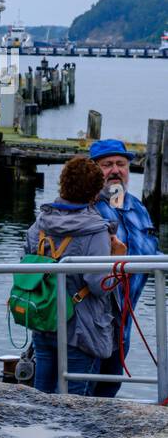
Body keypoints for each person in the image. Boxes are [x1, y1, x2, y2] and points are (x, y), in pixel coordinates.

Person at [25, 156, 116, 395]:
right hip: (81, 328)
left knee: (41, 395)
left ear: (62, 183)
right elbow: (98, 285)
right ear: (95, 193)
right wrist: (118, 265)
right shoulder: (95, 231)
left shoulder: (40, 223)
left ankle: (37, 432)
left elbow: (27, 268)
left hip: (44, 321)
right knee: (75, 404)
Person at [88, 139, 161, 396]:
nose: (115, 170)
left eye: (121, 164)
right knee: (84, 387)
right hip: (92, 319)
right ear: (93, 169)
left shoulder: (137, 208)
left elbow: (150, 251)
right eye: (107, 165)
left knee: (110, 386)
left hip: (125, 320)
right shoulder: (86, 207)